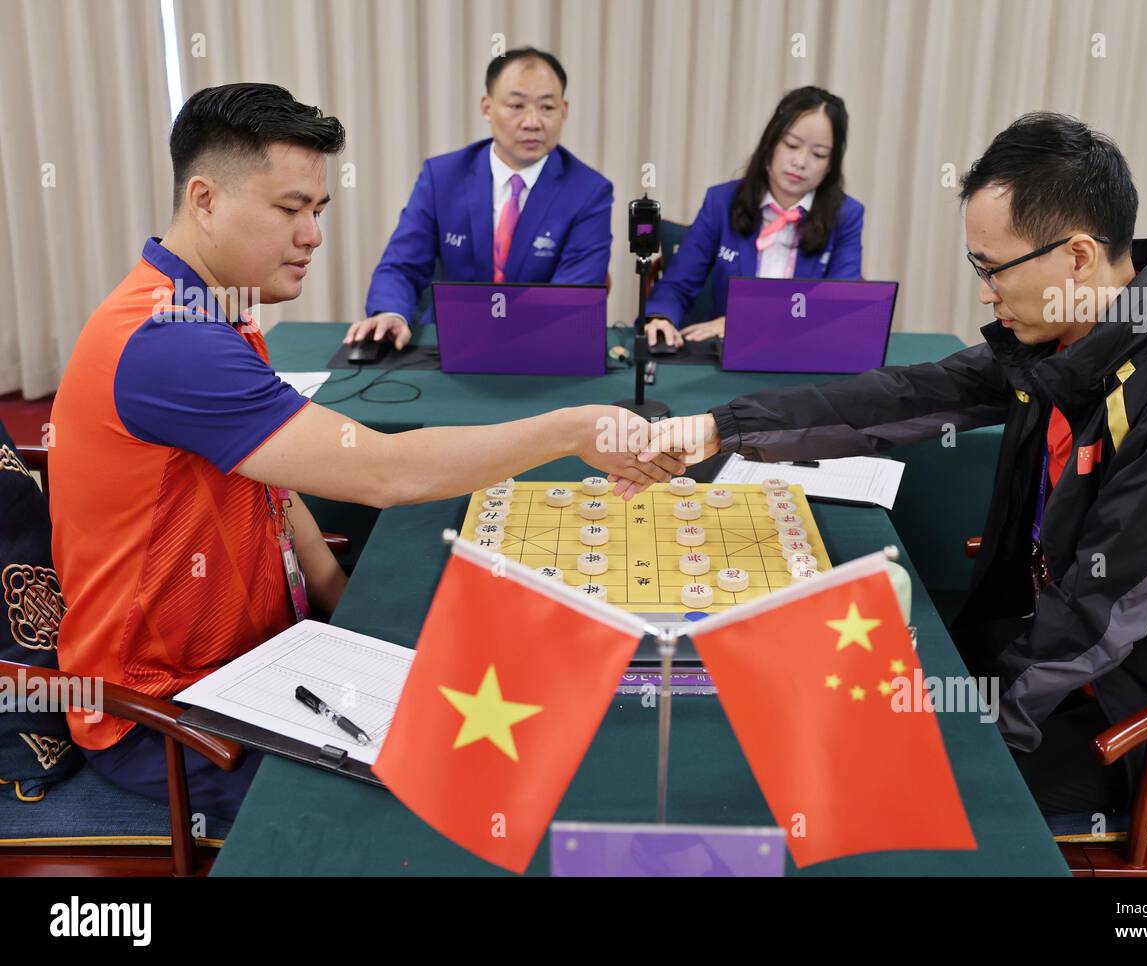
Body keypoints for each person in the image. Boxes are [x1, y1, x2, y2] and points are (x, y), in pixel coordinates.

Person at [627, 113, 1147, 837]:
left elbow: (1098, 612)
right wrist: (724, 429)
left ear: (1076, 258)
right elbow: (906, 397)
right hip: (1047, 653)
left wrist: (969, 735)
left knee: (865, 789)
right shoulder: (1075, 333)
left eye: (991, 269)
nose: (983, 296)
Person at [48, 83, 679, 821]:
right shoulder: (167, 340)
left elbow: (273, 487)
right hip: (164, 709)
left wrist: (345, 610)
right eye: (291, 209)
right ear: (206, 199)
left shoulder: (210, 304)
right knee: (441, 800)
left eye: (318, 211)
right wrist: (570, 431)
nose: (314, 235)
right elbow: (385, 472)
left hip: (261, 655)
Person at [349, 46, 614, 350]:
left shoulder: (589, 192)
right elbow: (402, 265)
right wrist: (391, 312)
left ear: (564, 111)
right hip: (447, 343)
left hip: (539, 347)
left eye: (547, 108)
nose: (532, 122)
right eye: (516, 106)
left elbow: (571, 296)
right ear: (487, 108)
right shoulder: (442, 177)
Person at [643, 86, 864, 347]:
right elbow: (678, 283)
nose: (801, 162)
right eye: (792, 145)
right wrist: (661, 317)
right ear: (770, 144)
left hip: (802, 355)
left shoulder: (845, 215)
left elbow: (838, 308)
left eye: (819, 154)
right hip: (727, 356)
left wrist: (743, 323)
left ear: (831, 165)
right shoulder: (721, 202)